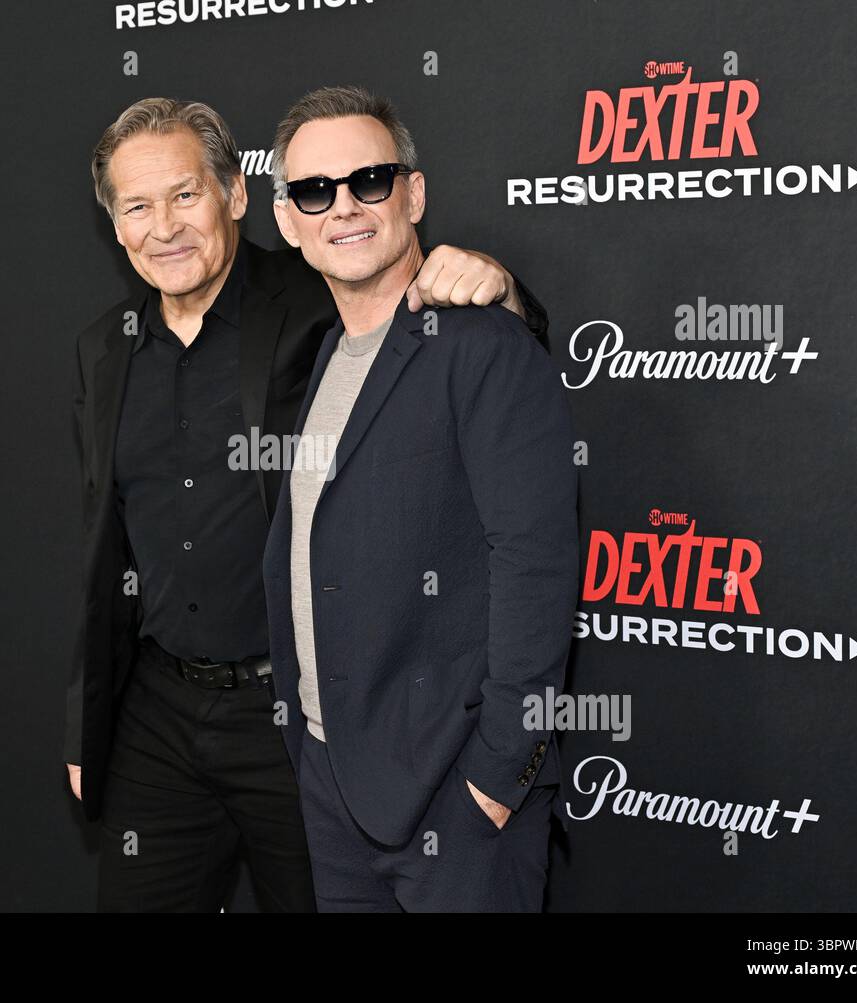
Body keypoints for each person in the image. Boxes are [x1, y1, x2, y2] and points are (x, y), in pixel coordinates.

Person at [68, 95, 550, 912]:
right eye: (137, 206)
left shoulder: (319, 292)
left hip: (297, 711)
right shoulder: (103, 349)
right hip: (160, 710)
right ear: (115, 226)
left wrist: (500, 291)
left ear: (240, 197)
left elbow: (434, 315)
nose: (165, 226)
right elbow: (103, 547)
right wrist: (87, 717)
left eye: (186, 195)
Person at [262, 85, 579, 911]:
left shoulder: (481, 343)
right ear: (287, 219)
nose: (344, 208)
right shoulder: (321, 354)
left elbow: (536, 566)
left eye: (369, 180)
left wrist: (499, 774)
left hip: (455, 793)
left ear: (414, 192)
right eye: (313, 191)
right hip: (334, 783)